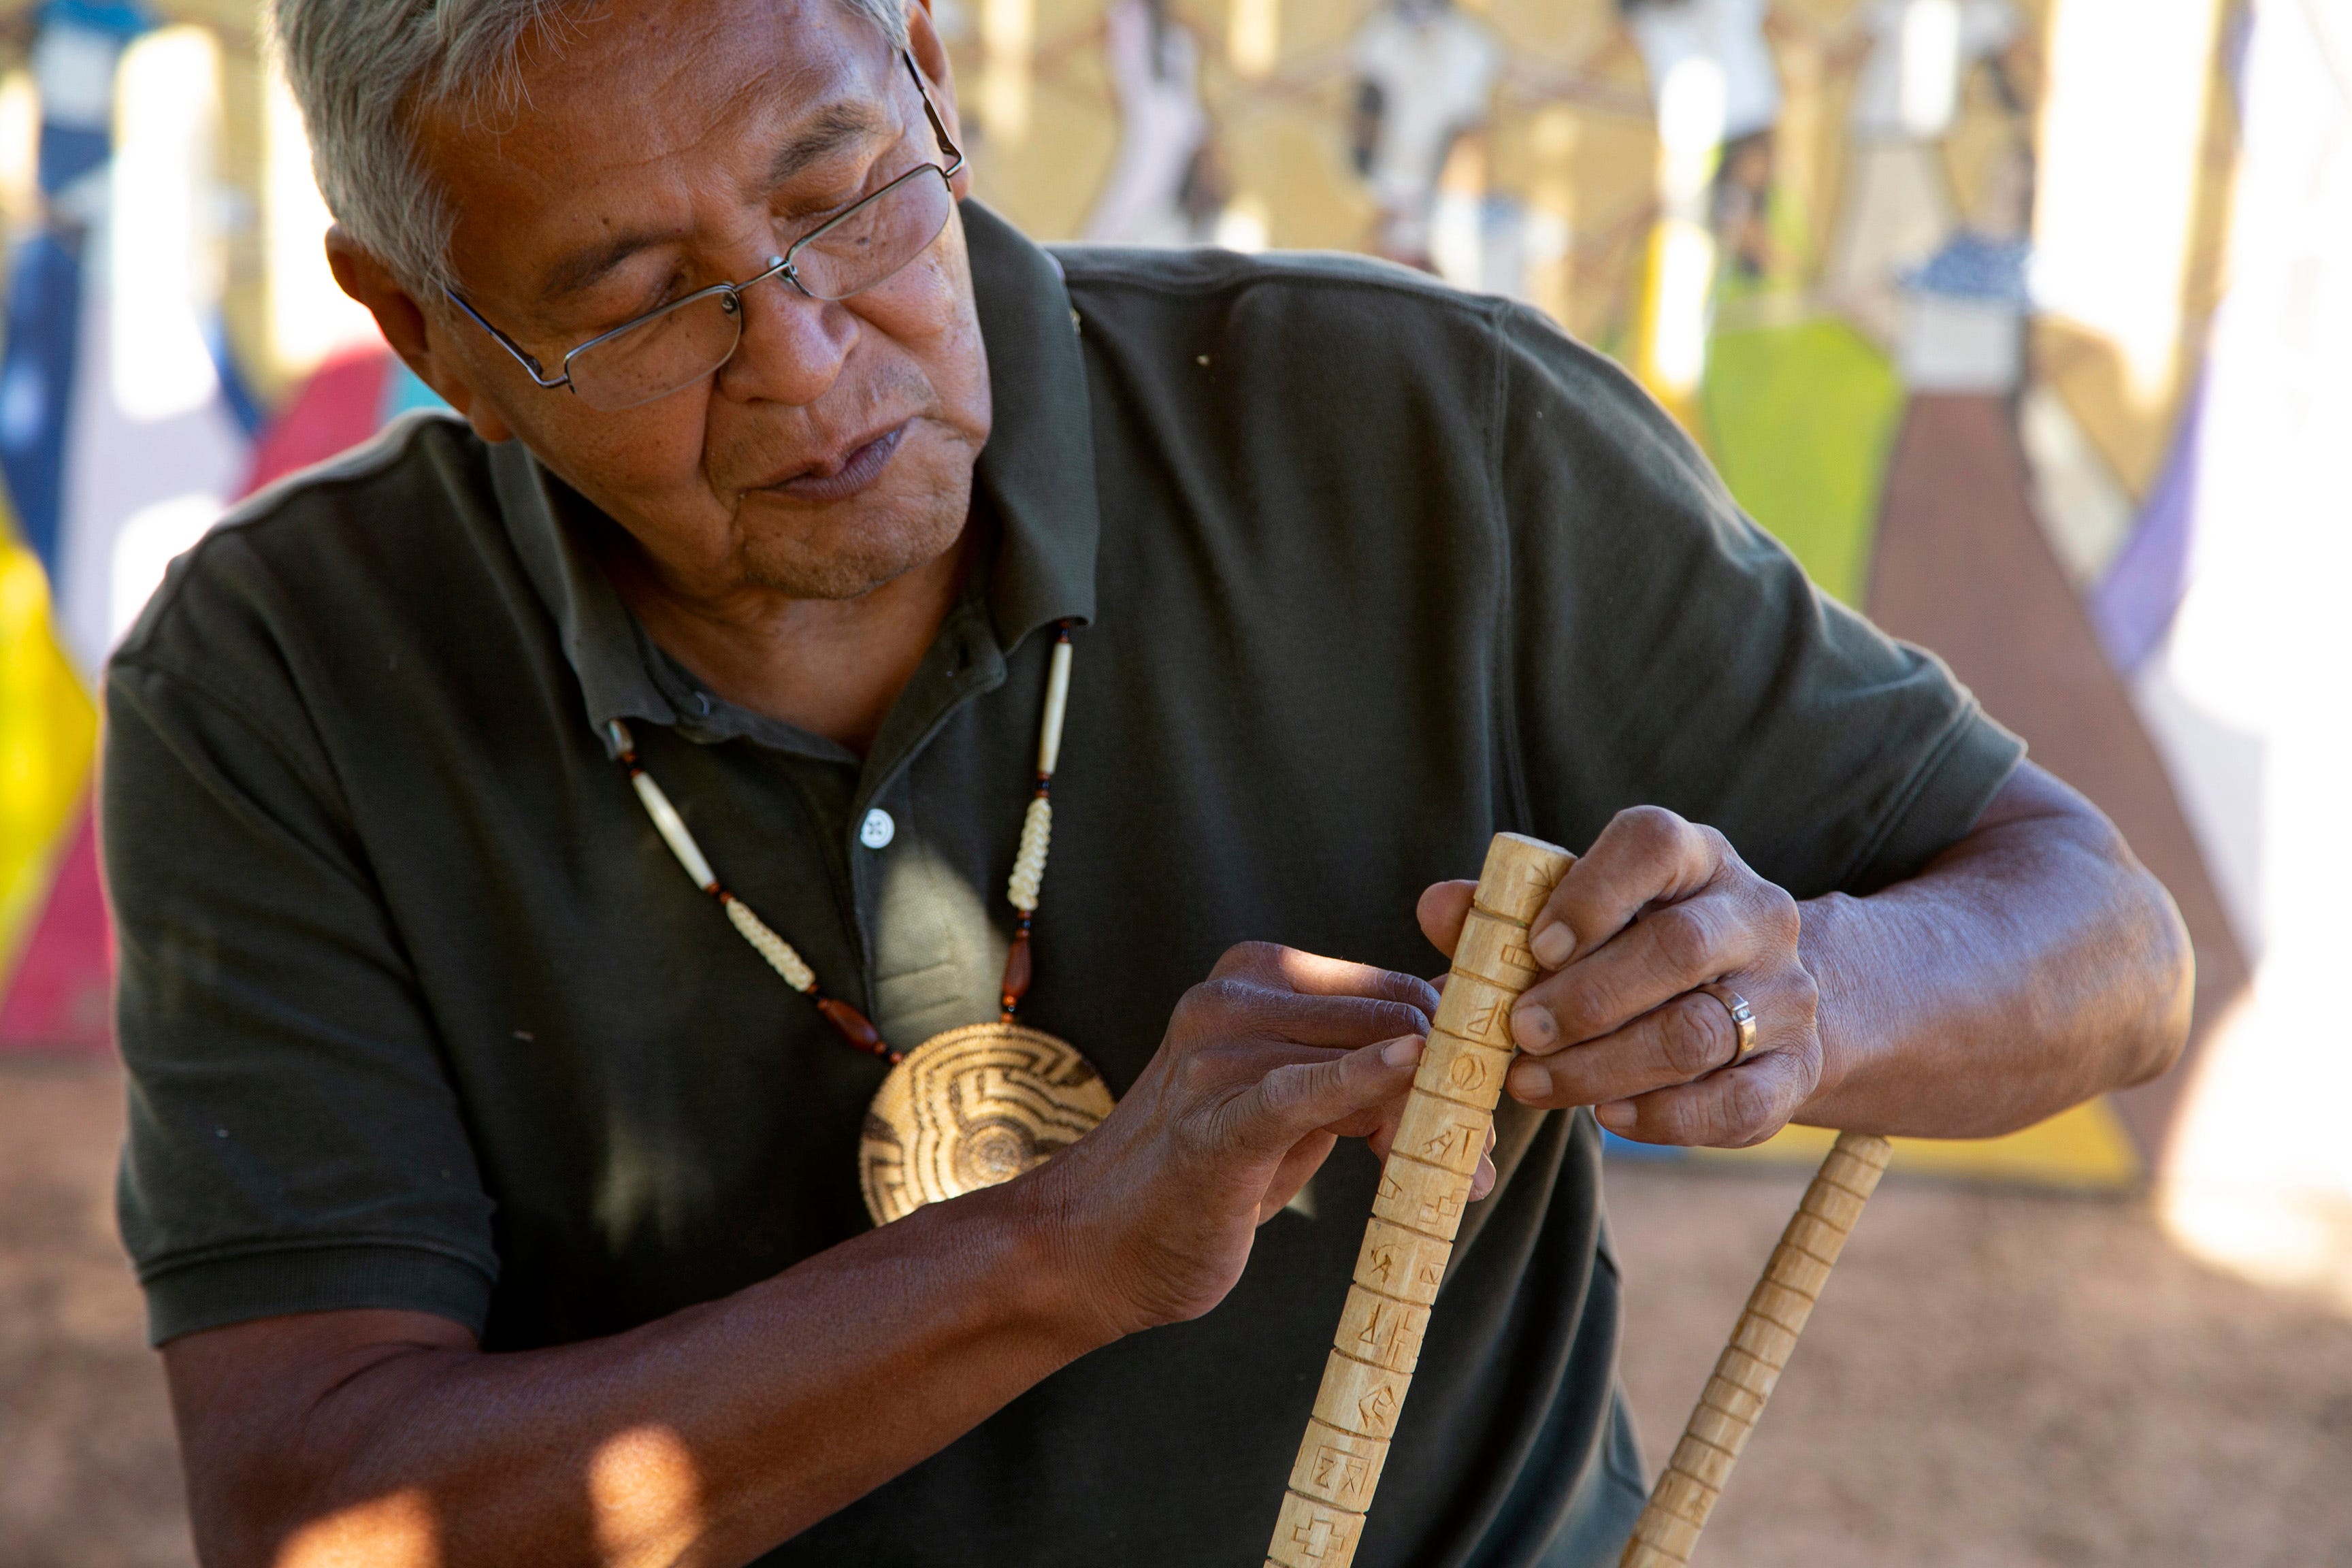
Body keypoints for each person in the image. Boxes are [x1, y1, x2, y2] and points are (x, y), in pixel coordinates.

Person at [106, 1, 2189, 1565]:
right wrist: (1051, 1251)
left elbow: (2101, 945)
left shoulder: (1422, 435)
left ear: (930, 64)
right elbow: (317, 1510)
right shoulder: (279, 677)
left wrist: (1801, 994)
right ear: (426, 325)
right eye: (642, 306)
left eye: (841, 195)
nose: (810, 358)